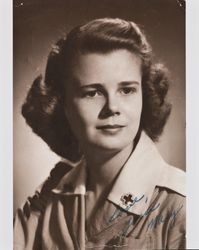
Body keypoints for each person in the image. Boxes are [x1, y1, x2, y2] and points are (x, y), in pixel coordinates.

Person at [14, 18, 186, 250]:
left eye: (127, 90)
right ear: (62, 103)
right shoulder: (50, 195)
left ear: (144, 95)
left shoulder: (183, 204)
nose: (112, 107)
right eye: (93, 93)